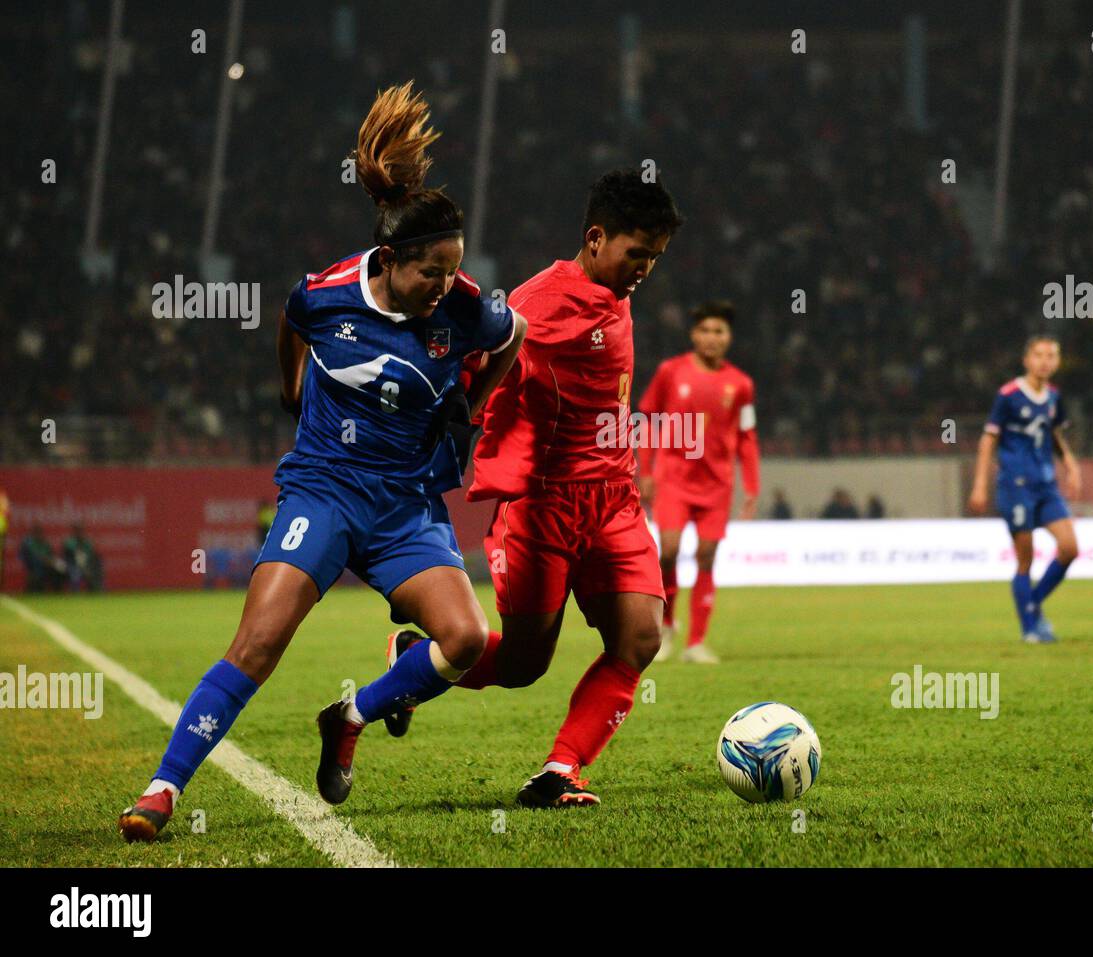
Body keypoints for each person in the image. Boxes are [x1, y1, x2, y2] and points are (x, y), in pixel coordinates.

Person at [117, 82, 526, 842]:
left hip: (406, 503)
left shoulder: (464, 307)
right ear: (392, 258)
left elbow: (512, 335)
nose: (444, 288)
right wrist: (291, 386)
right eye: (430, 273)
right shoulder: (328, 295)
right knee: (259, 642)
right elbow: (290, 321)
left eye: (454, 271)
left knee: (467, 639)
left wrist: (470, 402)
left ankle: (351, 714)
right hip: (324, 491)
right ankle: (163, 789)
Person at [394, 168, 682, 808]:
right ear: (596, 238)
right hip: (543, 506)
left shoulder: (615, 288)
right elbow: (471, 345)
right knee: (524, 665)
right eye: (637, 255)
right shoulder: (543, 302)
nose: (645, 270)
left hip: (612, 498)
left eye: (656, 259)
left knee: (639, 639)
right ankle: (415, 656)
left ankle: (559, 771)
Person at [637, 299, 759, 664]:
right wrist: (644, 470)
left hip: (716, 484)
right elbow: (648, 420)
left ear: (729, 337)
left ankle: (697, 642)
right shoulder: (670, 372)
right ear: (693, 334)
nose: (711, 338)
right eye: (704, 330)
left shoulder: (740, 384)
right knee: (669, 551)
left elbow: (747, 436)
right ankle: (665, 627)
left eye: (718, 331)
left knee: (706, 557)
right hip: (673, 477)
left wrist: (751, 486)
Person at [967, 334, 1081, 643]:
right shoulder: (1008, 396)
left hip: (1046, 485)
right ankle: (1030, 627)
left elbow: (1055, 435)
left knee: (1070, 548)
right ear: (1026, 360)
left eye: (1051, 356)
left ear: (1057, 362)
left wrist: (1069, 463)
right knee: (1025, 559)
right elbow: (988, 439)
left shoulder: (1054, 398)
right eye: (1039, 355)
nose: (1045, 361)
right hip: (1016, 486)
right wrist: (980, 484)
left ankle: (1032, 604)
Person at [19, 524, 66, 592]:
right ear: (33, 533)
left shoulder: (44, 543)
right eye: (37, 532)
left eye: (40, 532)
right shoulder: (30, 543)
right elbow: (34, 556)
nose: (39, 534)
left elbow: (51, 554)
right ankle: (37, 588)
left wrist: (53, 561)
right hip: (36, 566)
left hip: (49, 565)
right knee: (50, 570)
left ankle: (57, 590)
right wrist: (47, 561)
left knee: (60, 570)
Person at [63, 524, 103, 592]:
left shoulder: (87, 542)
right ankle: (75, 592)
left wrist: (87, 566)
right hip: (73, 565)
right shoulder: (69, 542)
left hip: (87, 565)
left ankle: (95, 591)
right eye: (77, 530)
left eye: (80, 530)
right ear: (74, 531)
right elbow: (69, 554)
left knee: (96, 568)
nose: (79, 532)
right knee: (75, 573)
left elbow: (92, 554)